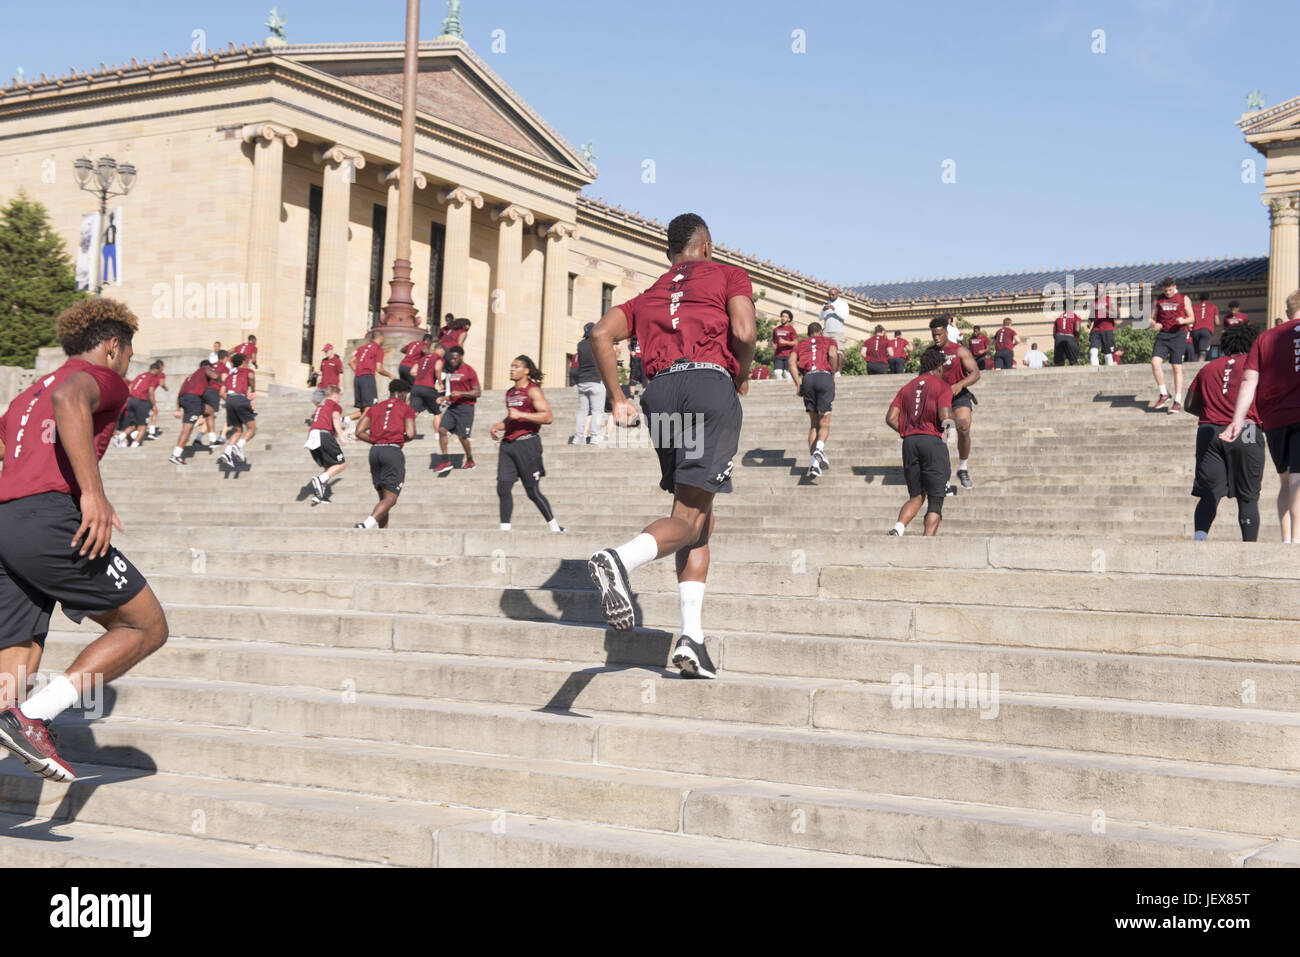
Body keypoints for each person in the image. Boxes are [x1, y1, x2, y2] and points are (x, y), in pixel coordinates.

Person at [0, 298, 168, 782]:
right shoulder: (102, 376)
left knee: (19, 650)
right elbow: (71, 400)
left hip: (9, 520)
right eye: (130, 356)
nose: (128, 365)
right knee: (145, 627)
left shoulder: (28, 392)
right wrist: (92, 494)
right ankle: (35, 717)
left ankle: (17, 720)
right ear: (113, 347)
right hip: (51, 518)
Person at [585, 212, 755, 680]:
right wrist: (739, 376)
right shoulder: (727, 274)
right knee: (689, 517)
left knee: (697, 515)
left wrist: (618, 397)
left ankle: (691, 639)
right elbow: (743, 332)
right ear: (708, 245)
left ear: (670, 253)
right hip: (708, 385)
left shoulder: (650, 293)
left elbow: (600, 334)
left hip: (660, 395)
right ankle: (620, 559)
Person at [1221, 288, 1300, 544]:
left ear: (1287, 312)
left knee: (1286, 482)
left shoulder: (1265, 338)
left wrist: (1237, 420)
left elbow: (1248, 380)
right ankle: (1296, 545)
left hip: (1275, 420)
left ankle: (1287, 539)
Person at [1184, 325, 1264, 541]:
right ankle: (1248, 547)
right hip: (1245, 429)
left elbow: (1189, 404)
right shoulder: (1254, 365)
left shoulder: (1208, 368)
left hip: (1209, 431)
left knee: (1208, 494)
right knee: (1248, 496)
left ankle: (1199, 539)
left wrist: (1213, 411)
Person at [886, 346, 955, 537]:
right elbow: (944, 416)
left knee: (916, 495)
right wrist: (953, 425)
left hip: (909, 442)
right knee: (935, 500)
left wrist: (907, 431)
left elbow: (891, 417)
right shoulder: (942, 386)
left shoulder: (907, 386)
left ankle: (898, 528)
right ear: (939, 367)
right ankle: (927, 543)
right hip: (931, 441)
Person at [490, 355, 563, 533]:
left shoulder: (533, 391)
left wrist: (522, 415)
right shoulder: (510, 392)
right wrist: (500, 425)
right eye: (511, 366)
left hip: (527, 444)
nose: (512, 369)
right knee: (503, 487)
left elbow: (547, 416)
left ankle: (554, 526)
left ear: (526, 371)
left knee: (532, 491)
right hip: (508, 444)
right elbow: (512, 417)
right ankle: (504, 529)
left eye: (516, 367)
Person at [355, 379, 416, 529]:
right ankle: (367, 524)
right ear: (403, 393)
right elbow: (411, 433)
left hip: (375, 451)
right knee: (391, 498)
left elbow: (359, 431)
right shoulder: (406, 408)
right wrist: (394, 439)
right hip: (392, 451)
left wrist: (377, 440)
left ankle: (383, 533)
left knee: (383, 498)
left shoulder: (375, 408)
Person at [930, 315, 980, 489]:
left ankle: (963, 468)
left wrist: (960, 384)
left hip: (959, 396)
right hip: (939, 398)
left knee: (964, 427)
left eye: (939, 334)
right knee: (939, 438)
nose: (936, 338)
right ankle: (942, 473)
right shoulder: (930, 353)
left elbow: (975, 373)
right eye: (933, 335)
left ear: (946, 332)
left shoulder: (959, 350)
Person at [790, 322, 838, 478]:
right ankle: (820, 448)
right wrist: (833, 372)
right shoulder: (829, 341)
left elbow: (791, 362)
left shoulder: (800, 344)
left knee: (813, 424)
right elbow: (832, 354)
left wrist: (798, 383)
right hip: (824, 376)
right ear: (821, 331)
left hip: (808, 378)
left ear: (808, 332)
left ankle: (814, 464)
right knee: (825, 423)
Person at [435, 345, 481, 474]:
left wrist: (461, 393)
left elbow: (478, 392)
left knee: (462, 437)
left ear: (461, 357)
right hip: (453, 407)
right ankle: (445, 460)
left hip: (466, 408)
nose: (452, 361)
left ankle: (470, 460)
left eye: (455, 358)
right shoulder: (452, 372)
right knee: (442, 429)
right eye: (450, 359)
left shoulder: (469, 371)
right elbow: (454, 393)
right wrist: (444, 398)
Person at [1151, 277, 1193, 412]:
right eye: (1166, 290)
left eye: (1170, 290)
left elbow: (1192, 317)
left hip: (1178, 334)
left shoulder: (1183, 298)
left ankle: (1178, 400)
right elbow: (1151, 318)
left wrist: (1184, 320)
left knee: (1176, 367)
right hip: (1163, 335)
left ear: (1174, 287)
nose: (1168, 292)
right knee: (1155, 362)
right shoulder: (1158, 299)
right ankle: (1164, 393)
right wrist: (1154, 324)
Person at [169, 361, 220, 465]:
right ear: (207, 367)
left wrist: (178, 409)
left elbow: (180, 394)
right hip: (193, 400)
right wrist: (221, 380)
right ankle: (175, 455)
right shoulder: (205, 369)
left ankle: (212, 439)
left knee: (209, 410)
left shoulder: (190, 377)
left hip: (186, 399)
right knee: (187, 431)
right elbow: (214, 375)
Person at [306, 384, 347, 505]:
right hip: (323, 435)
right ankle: (320, 479)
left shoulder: (321, 406)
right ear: (335, 395)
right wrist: (341, 437)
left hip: (313, 435)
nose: (339, 399)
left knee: (328, 467)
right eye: (339, 396)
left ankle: (320, 495)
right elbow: (335, 419)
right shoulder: (335, 405)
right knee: (341, 464)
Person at [219, 353, 257, 467]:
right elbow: (251, 377)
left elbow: (221, 392)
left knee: (238, 430)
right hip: (240, 398)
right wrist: (253, 390)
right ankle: (238, 446)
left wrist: (231, 400)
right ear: (244, 361)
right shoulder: (247, 371)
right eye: (247, 361)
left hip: (230, 400)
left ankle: (227, 452)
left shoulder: (230, 375)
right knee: (251, 429)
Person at [572, 322, 605, 445]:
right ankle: (595, 436)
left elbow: (580, 362)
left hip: (583, 380)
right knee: (597, 411)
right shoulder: (598, 343)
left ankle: (578, 437)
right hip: (596, 379)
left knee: (582, 411)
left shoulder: (580, 345)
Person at [349, 330, 391, 422]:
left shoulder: (361, 348)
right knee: (370, 407)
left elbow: (350, 361)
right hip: (367, 378)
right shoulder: (378, 349)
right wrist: (390, 375)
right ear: (381, 337)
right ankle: (355, 430)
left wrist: (359, 371)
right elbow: (379, 369)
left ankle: (345, 419)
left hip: (357, 378)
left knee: (364, 408)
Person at [409, 336, 444, 430]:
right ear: (440, 349)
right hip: (428, 387)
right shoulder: (438, 358)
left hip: (416, 387)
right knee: (437, 412)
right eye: (443, 351)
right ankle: (437, 435)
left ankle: (404, 430)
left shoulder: (422, 358)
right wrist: (440, 383)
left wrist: (421, 376)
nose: (444, 354)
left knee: (414, 411)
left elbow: (412, 372)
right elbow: (437, 368)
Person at [819, 287, 849, 375]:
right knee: (826, 352)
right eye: (829, 294)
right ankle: (828, 370)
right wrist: (823, 310)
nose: (830, 296)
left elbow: (845, 316)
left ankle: (838, 372)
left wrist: (834, 309)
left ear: (837, 294)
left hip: (838, 331)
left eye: (833, 294)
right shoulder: (825, 304)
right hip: (826, 331)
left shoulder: (843, 304)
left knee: (839, 351)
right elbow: (820, 318)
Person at [1088, 290, 1117, 366]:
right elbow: (1091, 315)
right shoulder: (1094, 302)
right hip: (1096, 330)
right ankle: (1094, 370)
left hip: (1107, 329)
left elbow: (1118, 314)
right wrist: (1089, 322)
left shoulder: (1111, 300)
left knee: (1108, 354)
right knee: (1093, 351)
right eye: (1097, 290)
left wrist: (1107, 311)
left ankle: (1109, 371)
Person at [772, 310, 798, 380]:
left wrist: (785, 342)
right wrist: (773, 346)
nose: (783, 318)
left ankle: (791, 390)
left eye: (785, 317)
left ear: (789, 319)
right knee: (777, 373)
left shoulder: (791, 329)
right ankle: (779, 390)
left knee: (788, 375)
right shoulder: (776, 329)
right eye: (782, 316)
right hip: (778, 354)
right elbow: (774, 341)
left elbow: (796, 343)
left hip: (788, 355)